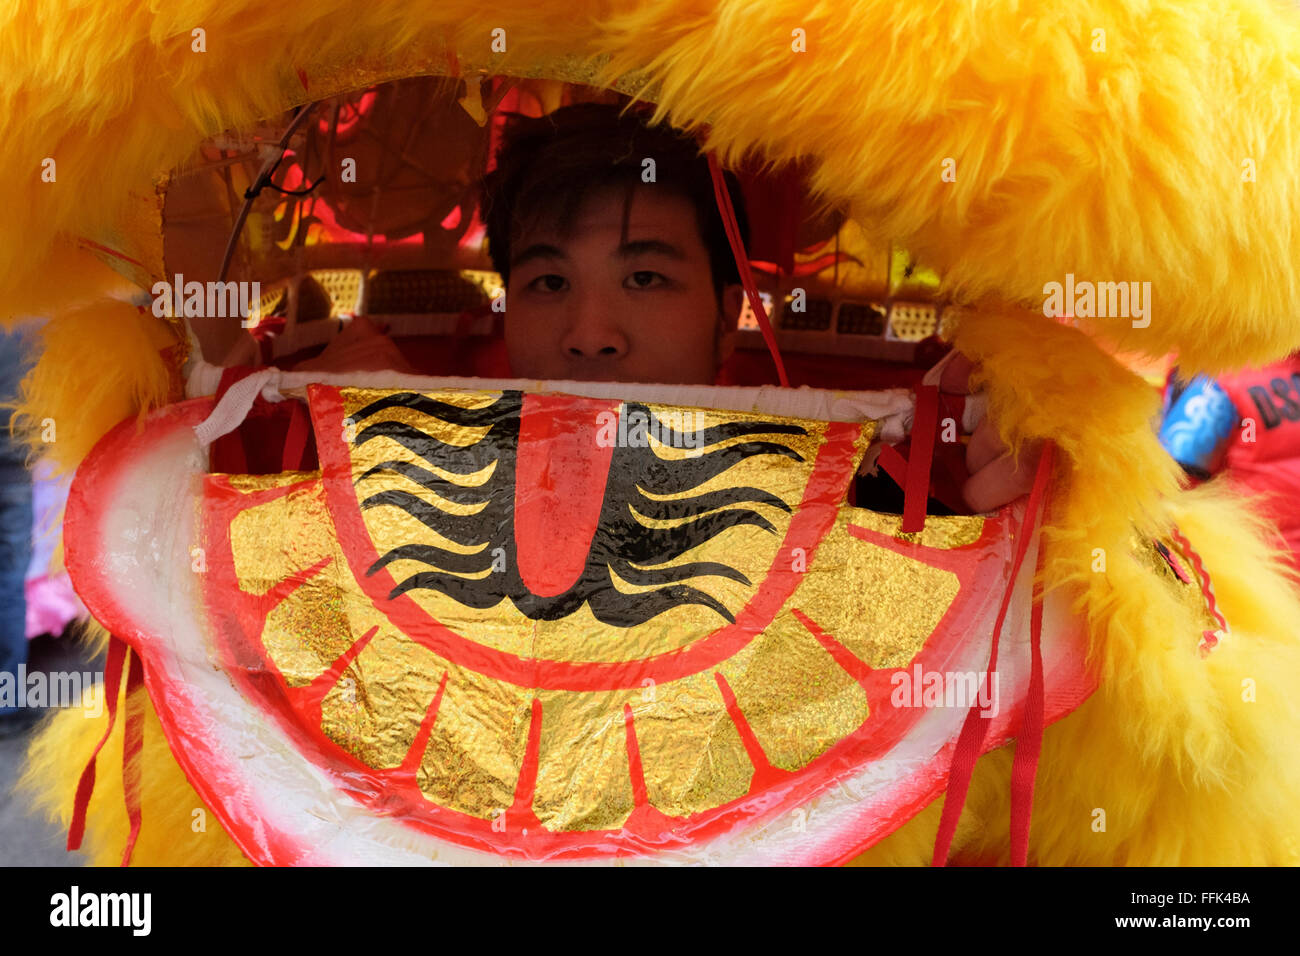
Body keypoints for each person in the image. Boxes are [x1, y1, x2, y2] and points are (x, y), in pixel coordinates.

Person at [308, 102, 1036, 513]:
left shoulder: (872, 502)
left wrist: (1005, 508)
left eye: (647, 278)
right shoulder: (405, 487)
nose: (590, 337)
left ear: (728, 318)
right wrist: (365, 444)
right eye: (550, 284)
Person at [0, 322, 38, 737]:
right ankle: (7, 704)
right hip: (14, 467)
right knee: (8, 587)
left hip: (13, 467)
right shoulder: (23, 325)